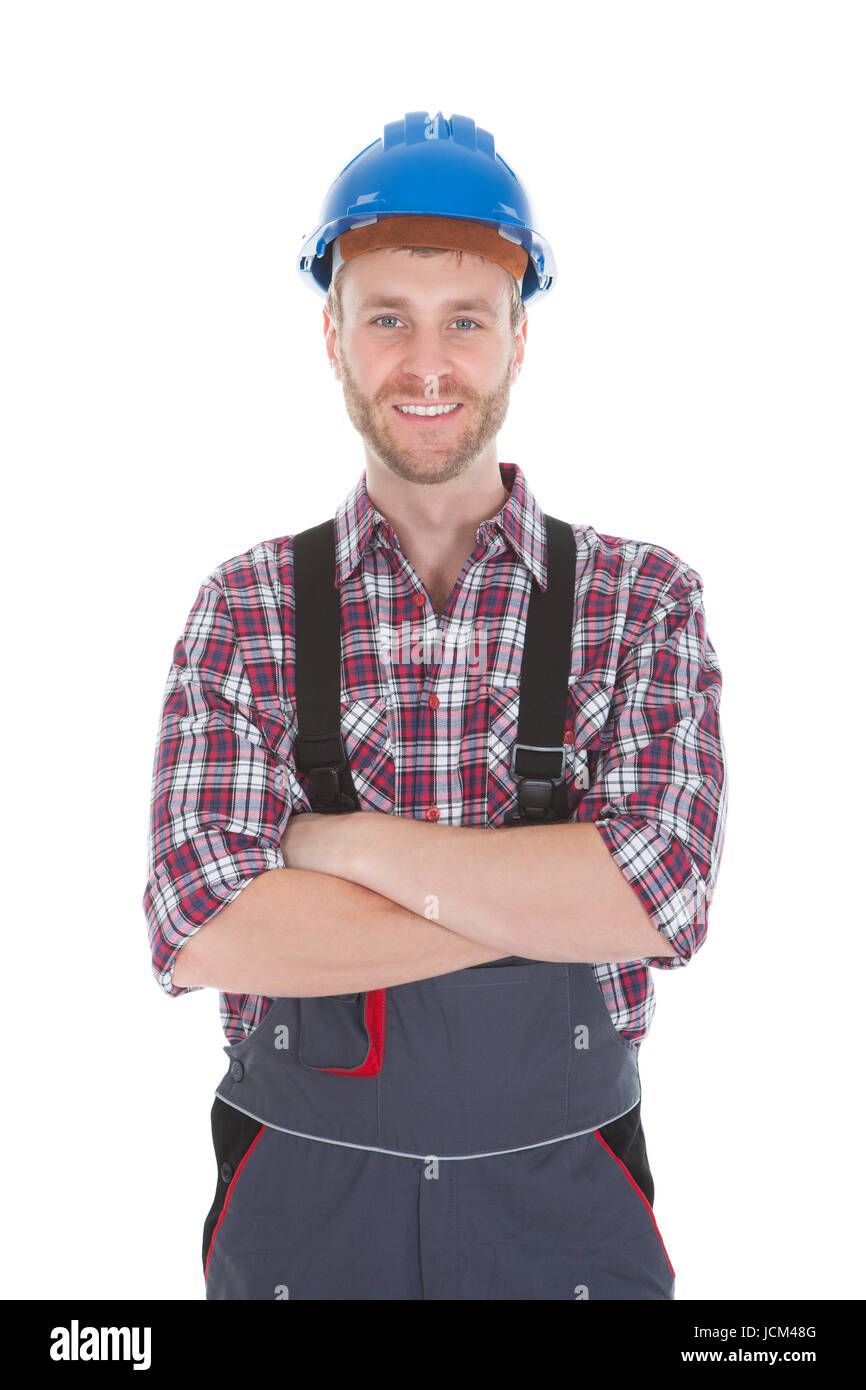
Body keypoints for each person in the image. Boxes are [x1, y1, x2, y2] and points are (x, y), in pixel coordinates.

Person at [143, 110, 727, 1301]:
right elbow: (203, 924)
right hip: (303, 1220)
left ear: (519, 339)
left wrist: (336, 847)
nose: (425, 364)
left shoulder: (641, 599)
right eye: (387, 319)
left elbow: (661, 891)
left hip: (562, 1217)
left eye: (464, 320)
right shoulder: (244, 607)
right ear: (332, 337)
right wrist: (553, 898)